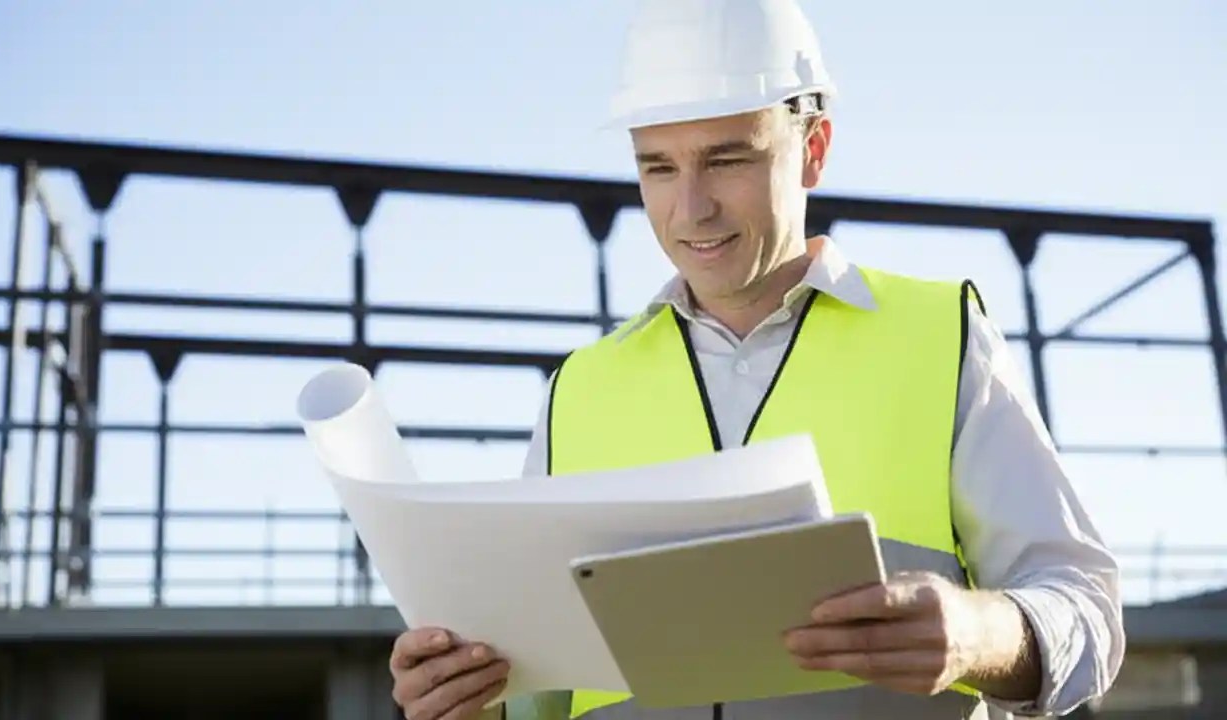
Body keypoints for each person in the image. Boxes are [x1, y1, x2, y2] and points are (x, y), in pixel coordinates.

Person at [388, 1, 1125, 718]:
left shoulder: (941, 338)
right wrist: (464, 703)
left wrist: (977, 635)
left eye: (726, 159)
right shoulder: (577, 391)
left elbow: (1087, 609)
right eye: (658, 168)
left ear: (814, 148)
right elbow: (535, 702)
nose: (691, 209)